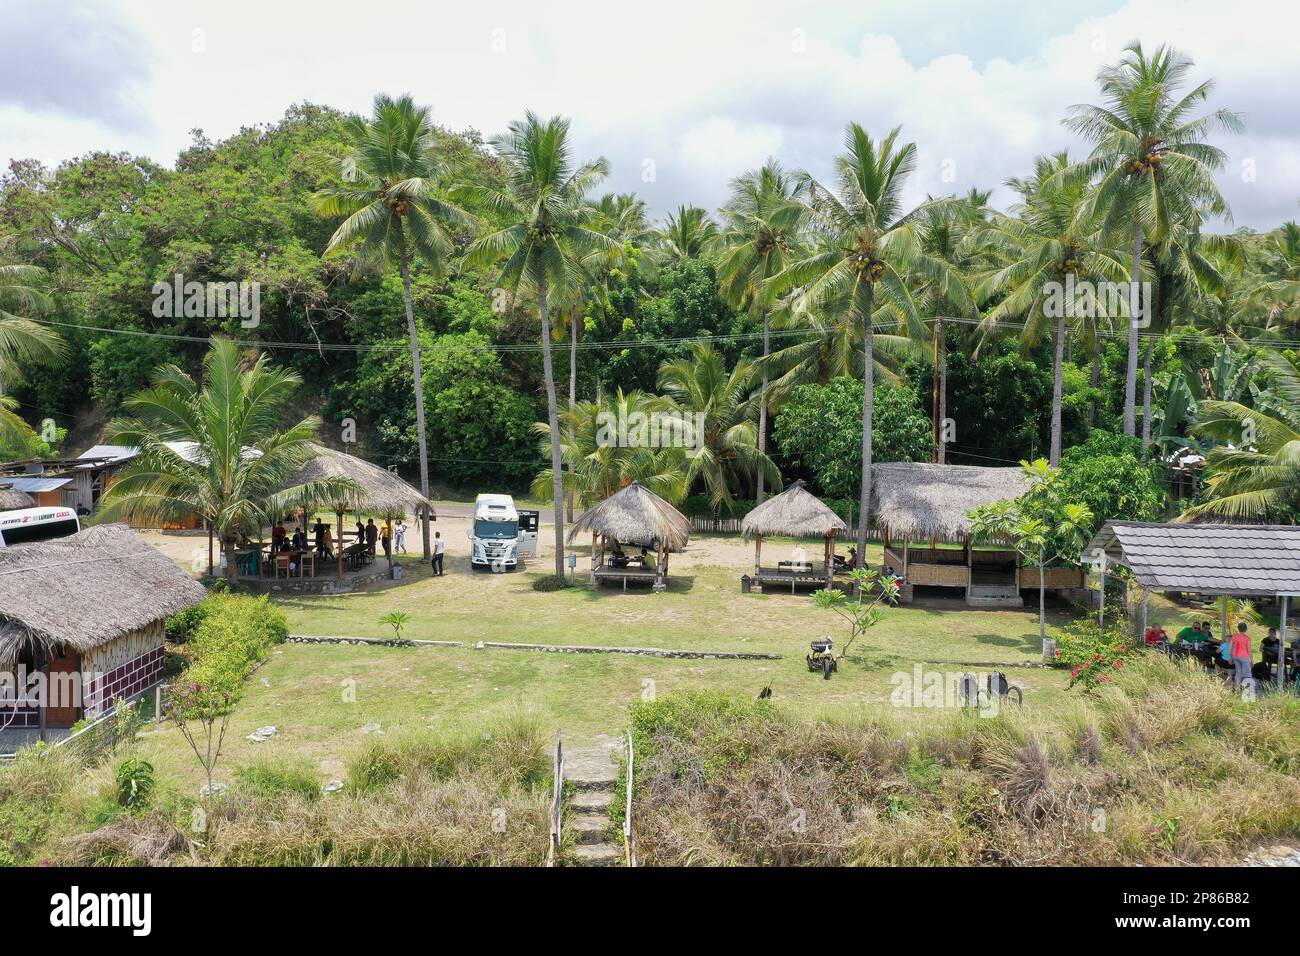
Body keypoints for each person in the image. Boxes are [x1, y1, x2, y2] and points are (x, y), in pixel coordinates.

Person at [1228, 622, 1252, 689]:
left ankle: (1236, 687)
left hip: (1235, 656)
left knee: (1238, 672)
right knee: (1247, 674)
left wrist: (1230, 657)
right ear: (1246, 629)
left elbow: (1230, 647)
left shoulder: (1234, 636)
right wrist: (1251, 661)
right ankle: (1248, 689)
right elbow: (1249, 650)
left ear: (1238, 629)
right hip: (1244, 657)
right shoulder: (1247, 638)